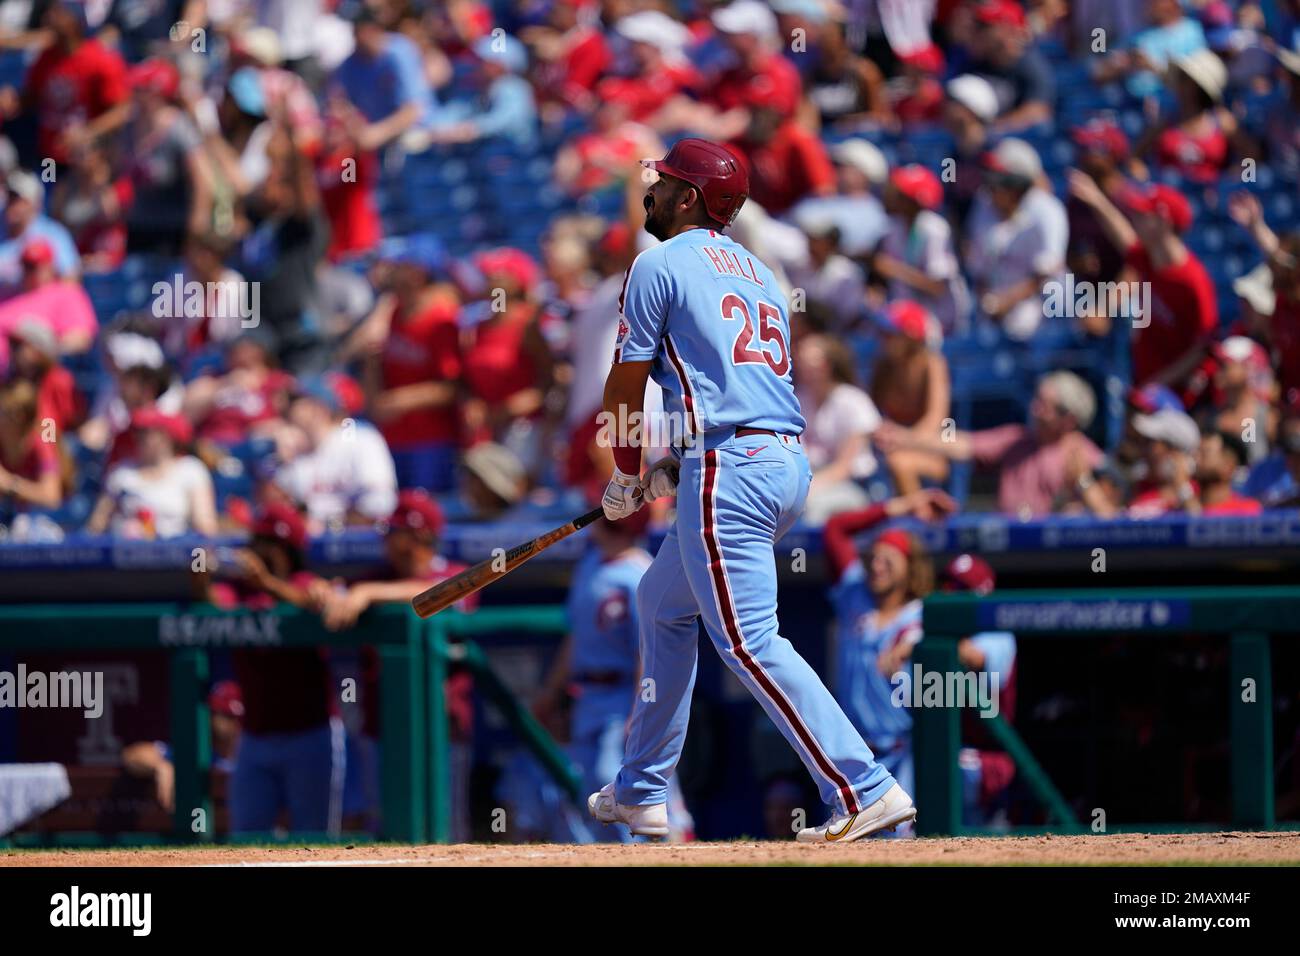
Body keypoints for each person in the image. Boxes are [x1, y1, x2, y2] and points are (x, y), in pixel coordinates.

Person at [593, 137, 916, 844]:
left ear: (688, 199)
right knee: (662, 603)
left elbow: (623, 387)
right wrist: (670, 466)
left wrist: (624, 472)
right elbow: (736, 390)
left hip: (730, 468)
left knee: (747, 641)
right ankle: (644, 789)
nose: (650, 194)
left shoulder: (657, 263)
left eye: (664, 183)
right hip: (776, 462)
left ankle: (863, 786)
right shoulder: (760, 272)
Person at [534, 510, 693, 842]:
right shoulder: (590, 565)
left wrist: (641, 708)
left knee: (616, 773)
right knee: (588, 784)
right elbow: (575, 636)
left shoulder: (640, 571)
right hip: (588, 694)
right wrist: (551, 689)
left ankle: (669, 840)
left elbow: (648, 650)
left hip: (623, 692)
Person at [201, 502, 346, 836]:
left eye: (272, 544)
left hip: (310, 732)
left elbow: (315, 603)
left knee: (314, 839)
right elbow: (211, 602)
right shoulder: (239, 590)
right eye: (259, 541)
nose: (263, 550)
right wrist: (200, 577)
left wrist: (266, 582)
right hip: (255, 736)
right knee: (247, 838)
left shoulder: (305, 582)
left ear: (289, 549)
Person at [821, 489, 957, 821]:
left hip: (902, 752)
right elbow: (835, 529)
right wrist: (904, 505)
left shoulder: (923, 615)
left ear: (909, 567)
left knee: (906, 842)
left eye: (888, 560)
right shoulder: (856, 594)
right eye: (874, 559)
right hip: (850, 755)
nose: (877, 566)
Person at [877, 370, 1103, 518]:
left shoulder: (1087, 456)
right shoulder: (1016, 439)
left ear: (1069, 419)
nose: (1034, 409)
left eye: (1044, 406)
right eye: (1036, 401)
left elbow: (1106, 513)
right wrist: (905, 438)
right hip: (1007, 541)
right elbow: (959, 444)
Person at [1067, 173, 1217, 394]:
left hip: (1178, 396)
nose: (1135, 217)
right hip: (1146, 385)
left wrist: (1158, 385)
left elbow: (1203, 348)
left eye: (1142, 214)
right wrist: (1097, 201)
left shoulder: (1193, 280)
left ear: (1163, 222)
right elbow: (1124, 238)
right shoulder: (1148, 259)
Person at [964, 138, 1068, 341]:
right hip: (995, 300)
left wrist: (1005, 302)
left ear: (1016, 185)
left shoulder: (1047, 210)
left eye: (997, 181)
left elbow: (1047, 271)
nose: (989, 187)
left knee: (1022, 326)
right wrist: (990, 301)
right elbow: (977, 266)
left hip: (1041, 303)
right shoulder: (983, 203)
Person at [272, 376, 398, 531]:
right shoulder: (294, 453)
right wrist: (281, 461)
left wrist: (332, 524)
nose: (287, 408)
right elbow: (280, 507)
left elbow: (380, 500)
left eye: (295, 401)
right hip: (314, 543)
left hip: (358, 540)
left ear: (318, 407)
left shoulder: (361, 439)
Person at [87, 407, 217, 537]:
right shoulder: (121, 472)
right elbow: (97, 524)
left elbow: (205, 526)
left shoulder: (191, 470)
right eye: (139, 432)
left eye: (148, 432)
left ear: (168, 436)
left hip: (175, 552)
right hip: (126, 552)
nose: (141, 438)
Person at [795, 333, 881, 523]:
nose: (801, 364)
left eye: (810, 360)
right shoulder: (798, 399)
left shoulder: (853, 401)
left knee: (811, 506)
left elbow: (844, 467)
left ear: (827, 365)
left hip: (855, 485)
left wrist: (806, 490)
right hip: (810, 478)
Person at [874, 164, 970, 334]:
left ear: (912, 202)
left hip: (940, 320)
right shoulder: (892, 228)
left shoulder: (935, 228)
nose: (893, 196)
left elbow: (937, 286)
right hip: (904, 316)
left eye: (901, 194)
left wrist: (894, 270)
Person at [870, 300, 952, 495]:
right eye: (883, 333)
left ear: (911, 336)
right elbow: (870, 413)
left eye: (890, 334)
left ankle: (917, 522)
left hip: (930, 450)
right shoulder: (882, 366)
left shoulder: (932, 364)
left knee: (900, 463)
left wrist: (901, 438)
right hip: (887, 448)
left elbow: (935, 420)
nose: (884, 339)